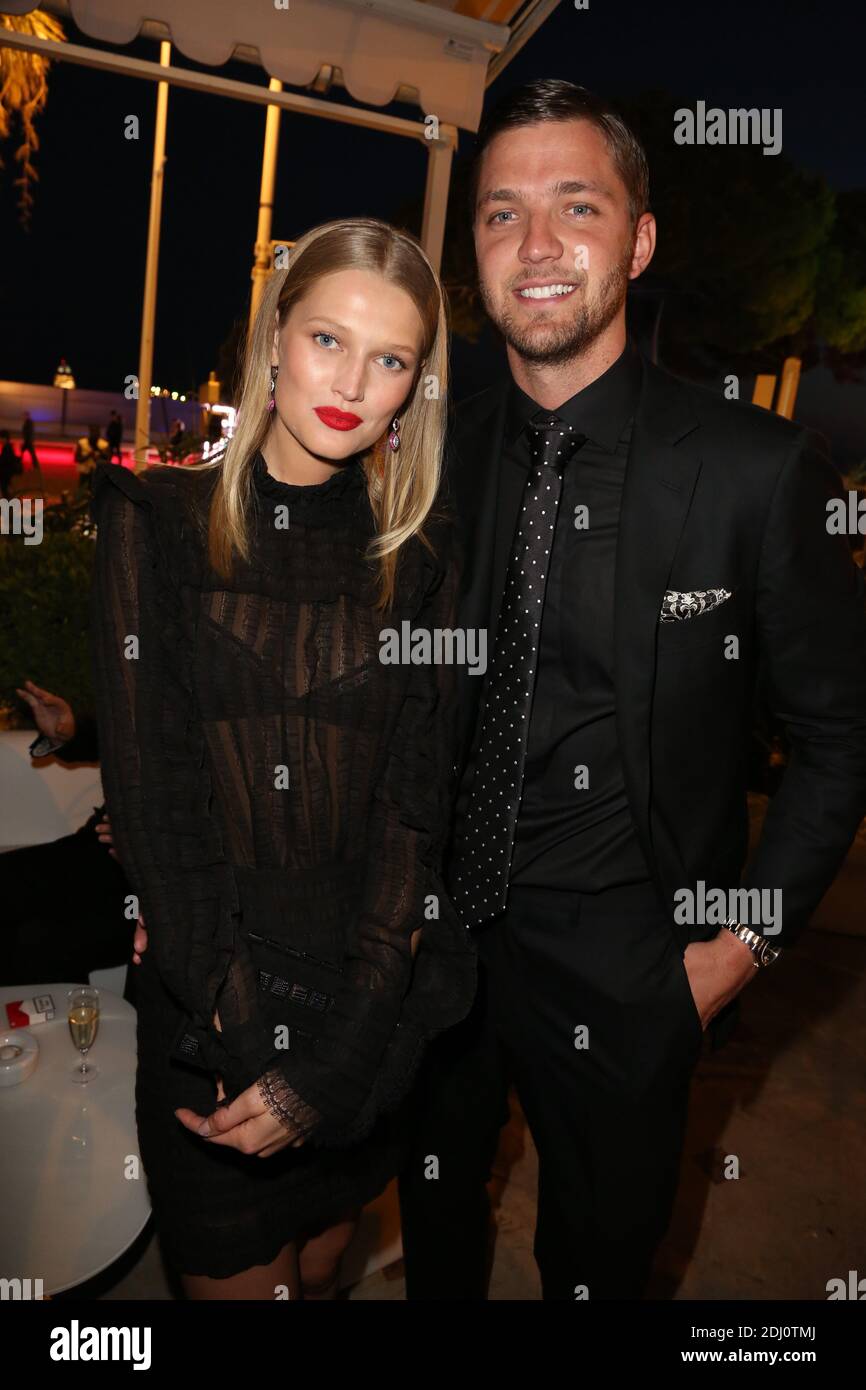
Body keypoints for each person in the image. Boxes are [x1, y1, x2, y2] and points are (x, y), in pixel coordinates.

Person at [397, 80, 866, 1300]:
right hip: (429, 947)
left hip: (632, 962)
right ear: (476, 250)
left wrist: (737, 947)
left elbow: (838, 732)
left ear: (639, 239)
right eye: (501, 215)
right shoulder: (427, 443)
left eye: (576, 207)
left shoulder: (755, 474)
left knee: (596, 1264)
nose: (537, 246)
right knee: (437, 1233)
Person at [89, 218, 477, 1300]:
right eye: (327, 341)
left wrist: (345, 1059)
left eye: (390, 357)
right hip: (212, 1008)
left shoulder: (421, 568)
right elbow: (156, 804)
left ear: (415, 385)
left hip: (367, 1004)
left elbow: (412, 819)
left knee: (322, 1268)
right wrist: (258, 1047)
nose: (354, 381)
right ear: (272, 342)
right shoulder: (152, 525)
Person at [0, 681, 130, 992]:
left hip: (154, 891)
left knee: (41, 940)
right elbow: (119, 736)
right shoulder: (162, 693)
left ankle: (57, 1033)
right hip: (95, 852)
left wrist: (147, 839)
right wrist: (67, 731)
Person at [0, 429, 20, 498]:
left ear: (5, 438)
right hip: (8, 472)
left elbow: (5, 460)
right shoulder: (8, 446)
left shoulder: (7, 447)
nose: (0, 440)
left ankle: (9, 504)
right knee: (6, 489)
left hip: (7, 473)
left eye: (1, 438)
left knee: (4, 488)